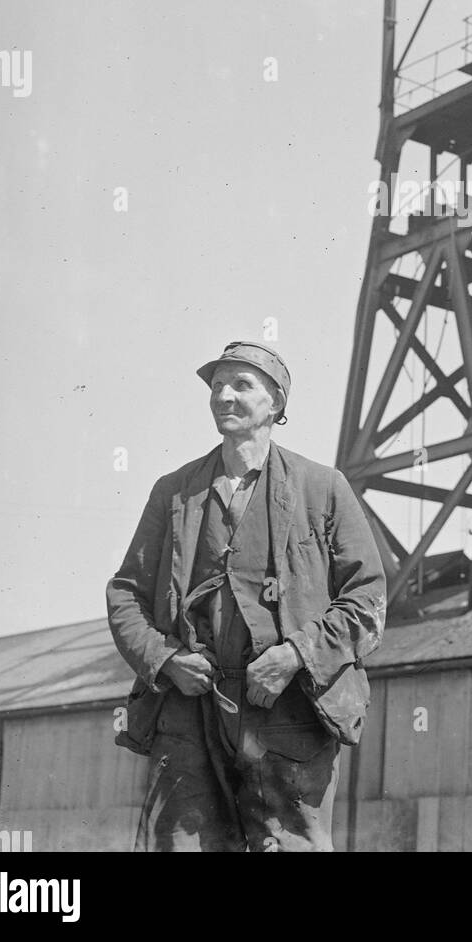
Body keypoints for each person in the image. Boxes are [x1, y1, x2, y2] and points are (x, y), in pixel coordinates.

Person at [106, 340, 386, 852]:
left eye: (241, 384)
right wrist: (166, 659)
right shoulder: (174, 492)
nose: (223, 396)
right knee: (180, 845)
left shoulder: (323, 488)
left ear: (276, 403)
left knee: (289, 844)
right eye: (216, 386)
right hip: (191, 709)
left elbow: (367, 598)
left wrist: (296, 654)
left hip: (290, 708)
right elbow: (126, 593)